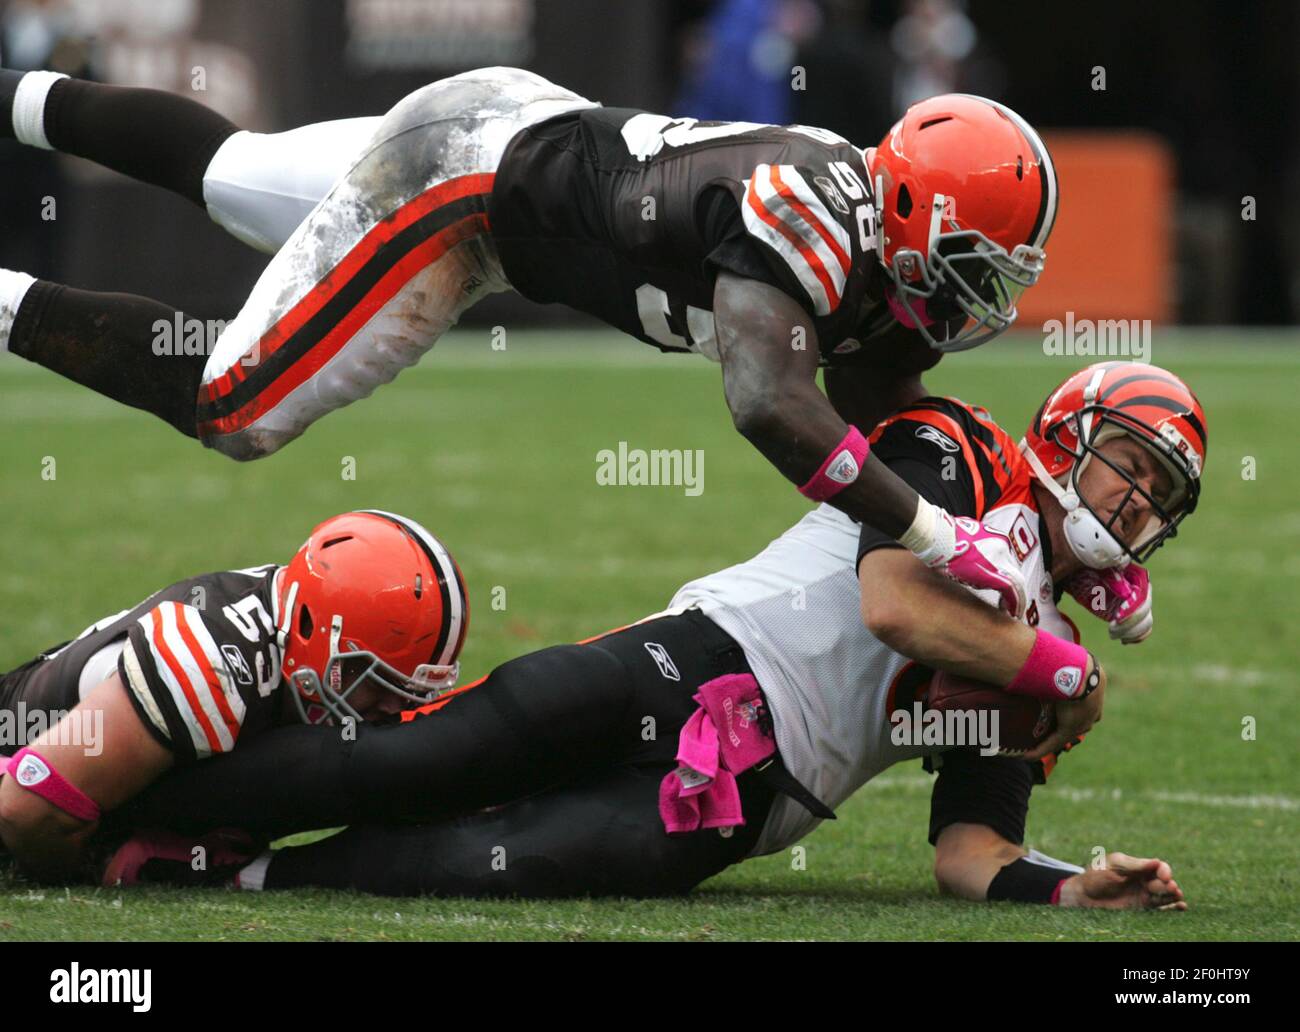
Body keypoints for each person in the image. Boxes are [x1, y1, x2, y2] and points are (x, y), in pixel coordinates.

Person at [104, 362, 1201, 910]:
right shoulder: (956, 451)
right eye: (1129, 465)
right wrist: (1060, 668)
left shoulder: (1046, 663)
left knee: (502, 863)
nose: (1134, 503)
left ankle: (214, 876)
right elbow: (895, 605)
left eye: (1161, 496)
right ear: (1068, 431)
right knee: (426, 758)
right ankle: (104, 796)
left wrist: (1060, 887)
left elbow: (968, 852)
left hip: (762, 803)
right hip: (698, 658)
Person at [0, 66, 1058, 613]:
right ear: (911, 214)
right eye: (969, 268)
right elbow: (770, 405)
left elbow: (895, 421)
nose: (975, 302)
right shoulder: (808, 211)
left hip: (508, 136)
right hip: (464, 193)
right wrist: (936, 537)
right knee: (239, 405)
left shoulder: (867, 243)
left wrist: (1056, 534)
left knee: (236, 175)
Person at [0, 509, 468, 882]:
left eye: (407, 690)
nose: (395, 708)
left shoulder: (292, 611)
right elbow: (27, 811)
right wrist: (91, 867)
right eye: (378, 682)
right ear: (310, 629)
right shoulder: (212, 668)